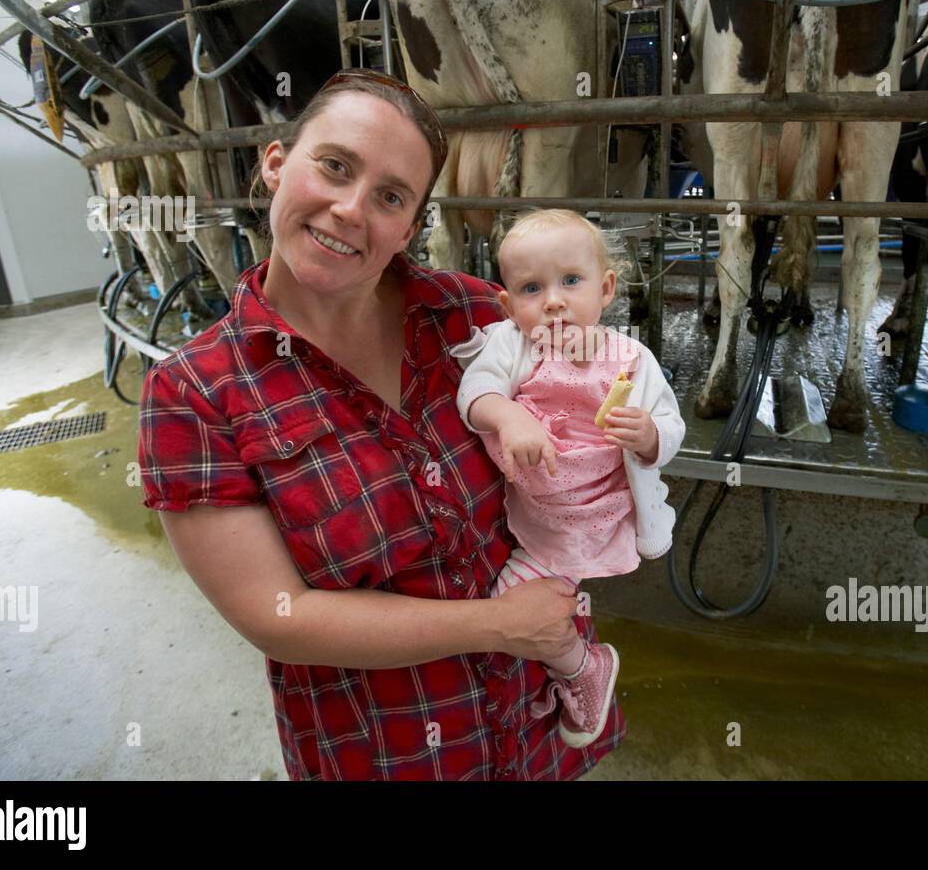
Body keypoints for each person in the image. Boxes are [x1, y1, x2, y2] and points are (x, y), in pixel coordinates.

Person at [136, 69, 623, 780]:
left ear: (411, 225)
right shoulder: (194, 394)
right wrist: (498, 626)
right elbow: (278, 617)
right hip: (387, 748)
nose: (350, 210)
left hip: (537, 715)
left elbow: (587, 398)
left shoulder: (476, 315)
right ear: (275, 163)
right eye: (334, 166)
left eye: (391, 197)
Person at [449, 209, 685, 749]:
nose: (553, 300)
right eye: (532, 288)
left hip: (594, 513)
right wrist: (508, 415)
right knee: (521, 600)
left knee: (513, 601)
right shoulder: (513, 343)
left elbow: (672, 428)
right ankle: (572, 653)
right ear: (508, 305)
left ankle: (581, 666)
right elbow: (475, 389)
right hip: (536, 513)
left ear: (605, 290)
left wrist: (649, 434)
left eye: (571, 281)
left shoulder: (631, 359)